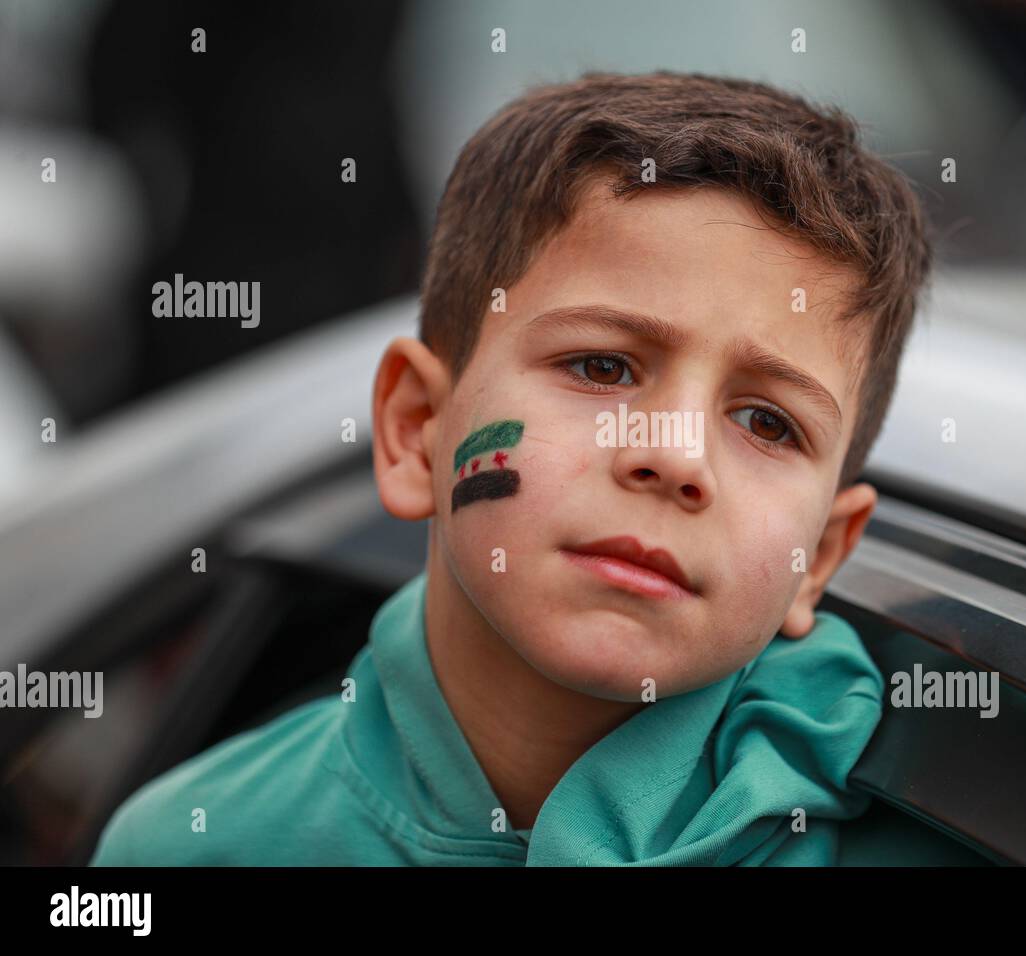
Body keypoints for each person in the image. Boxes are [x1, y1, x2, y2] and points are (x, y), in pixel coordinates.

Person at [91, 70, 943, 865]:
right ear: (415, 428)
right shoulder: (193, 845)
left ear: (819, 560)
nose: (676, 457)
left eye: (767, 422)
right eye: (602, 367)